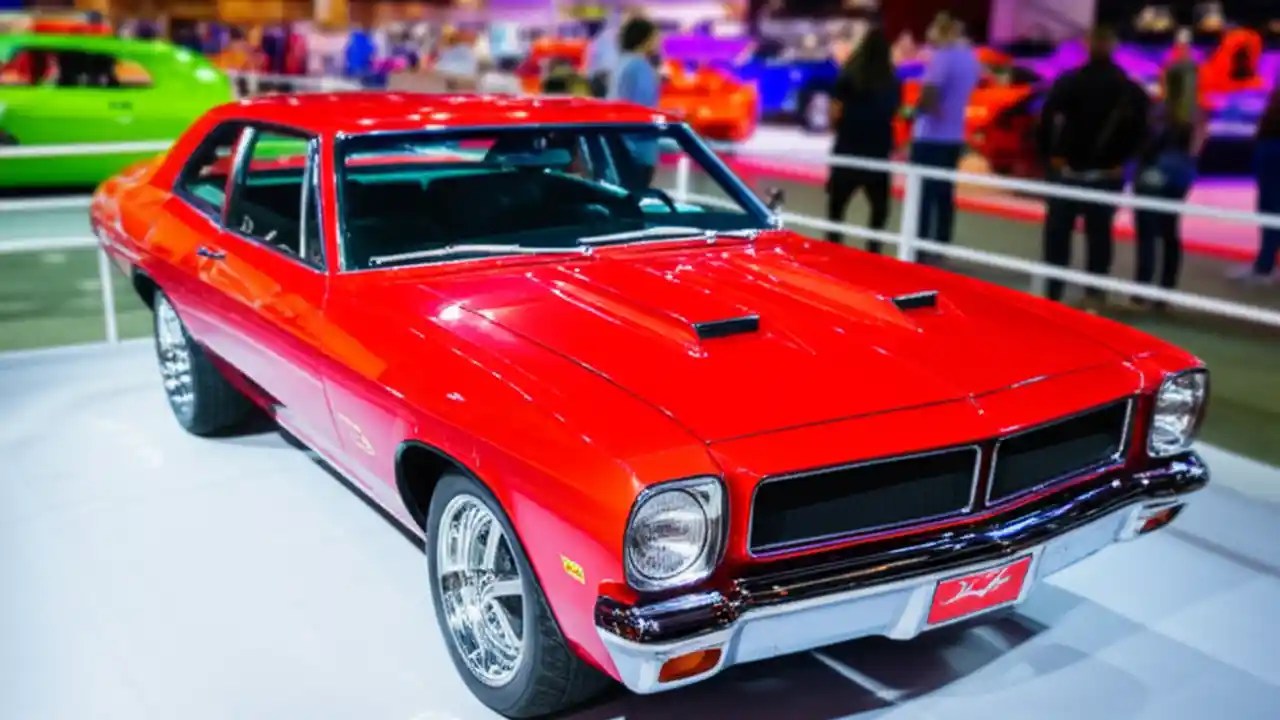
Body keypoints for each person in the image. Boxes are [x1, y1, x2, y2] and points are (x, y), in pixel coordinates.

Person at [1037, 26, 1150, 305]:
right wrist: (1123, 161)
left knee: (1059, 236)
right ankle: (1093, 293)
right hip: (1105, 172)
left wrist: (1051, 157)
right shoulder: (1128, 87)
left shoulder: (1070, 81)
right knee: (1098, 236)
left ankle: (1054, 292)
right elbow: (1142, 130)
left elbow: (1046, 120)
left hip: (1071, 171)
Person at [910, 14, 980, 258]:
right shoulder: (970, 58)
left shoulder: (942, 58)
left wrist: (916, 111)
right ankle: (941, 244)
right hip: (953, 135)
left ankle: (918, 246)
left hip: (930, 136)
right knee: (944, 194)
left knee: (923, 195)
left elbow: (929, 95)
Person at [1132, 61, 1201, 304]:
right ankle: (1166, 290)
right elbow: (1195, 150)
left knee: (1147, 233)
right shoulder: (1197, 114)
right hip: (1181, 176)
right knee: (1170, 231)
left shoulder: (1160, 111)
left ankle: (1142, 289)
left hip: (1154, 174)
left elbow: (1148, 144)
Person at [827, 27, 900, 253]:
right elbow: (893, 112)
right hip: (877, 148)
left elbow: (835, 110)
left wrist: (838, 128)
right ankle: (873, 249)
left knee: (837, 204)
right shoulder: (891, 81)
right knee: (879, 206)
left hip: (849, 144)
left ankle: (833, 246)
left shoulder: (848, 76)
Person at [1233, 87, 1280, 284]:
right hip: (1269, 149)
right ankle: (1265, 263)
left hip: (1273, 152)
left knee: (1272, 211)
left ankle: (1264, 266)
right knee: (1268, 210)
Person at [609, 17, 662, 190]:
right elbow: (643, 110)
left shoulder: (621, 63)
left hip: (619, 145)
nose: (659, 41)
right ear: (645, 39)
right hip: (638, 149)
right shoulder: (640, 67)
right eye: (655, 37)